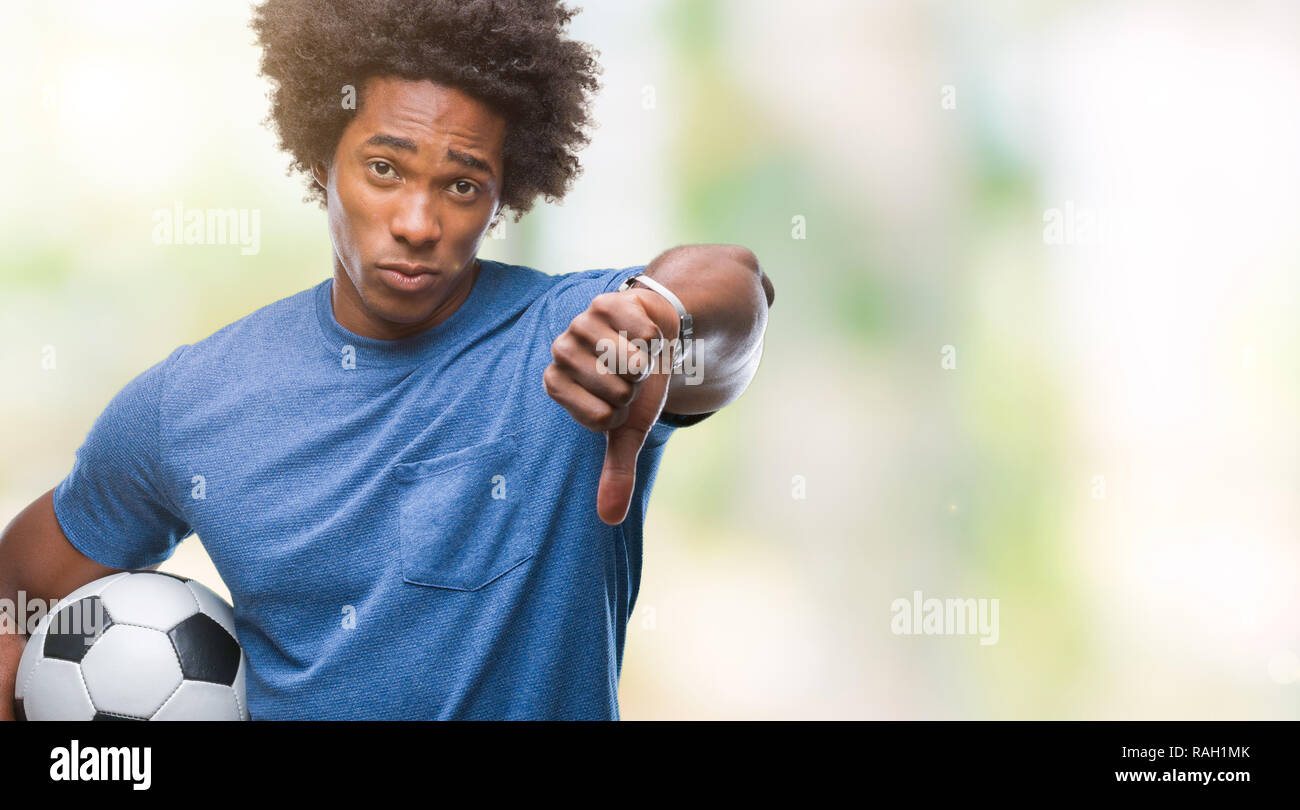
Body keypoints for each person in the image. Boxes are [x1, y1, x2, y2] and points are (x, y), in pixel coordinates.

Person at [0, 0, 773, 720]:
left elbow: (734, 288)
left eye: (462, 184)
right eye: (384, 169)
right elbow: (17, 601)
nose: (417, 221)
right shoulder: (189, 403)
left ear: (502, 196)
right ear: (321, 160)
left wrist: (665, 317)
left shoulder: (583, 342)